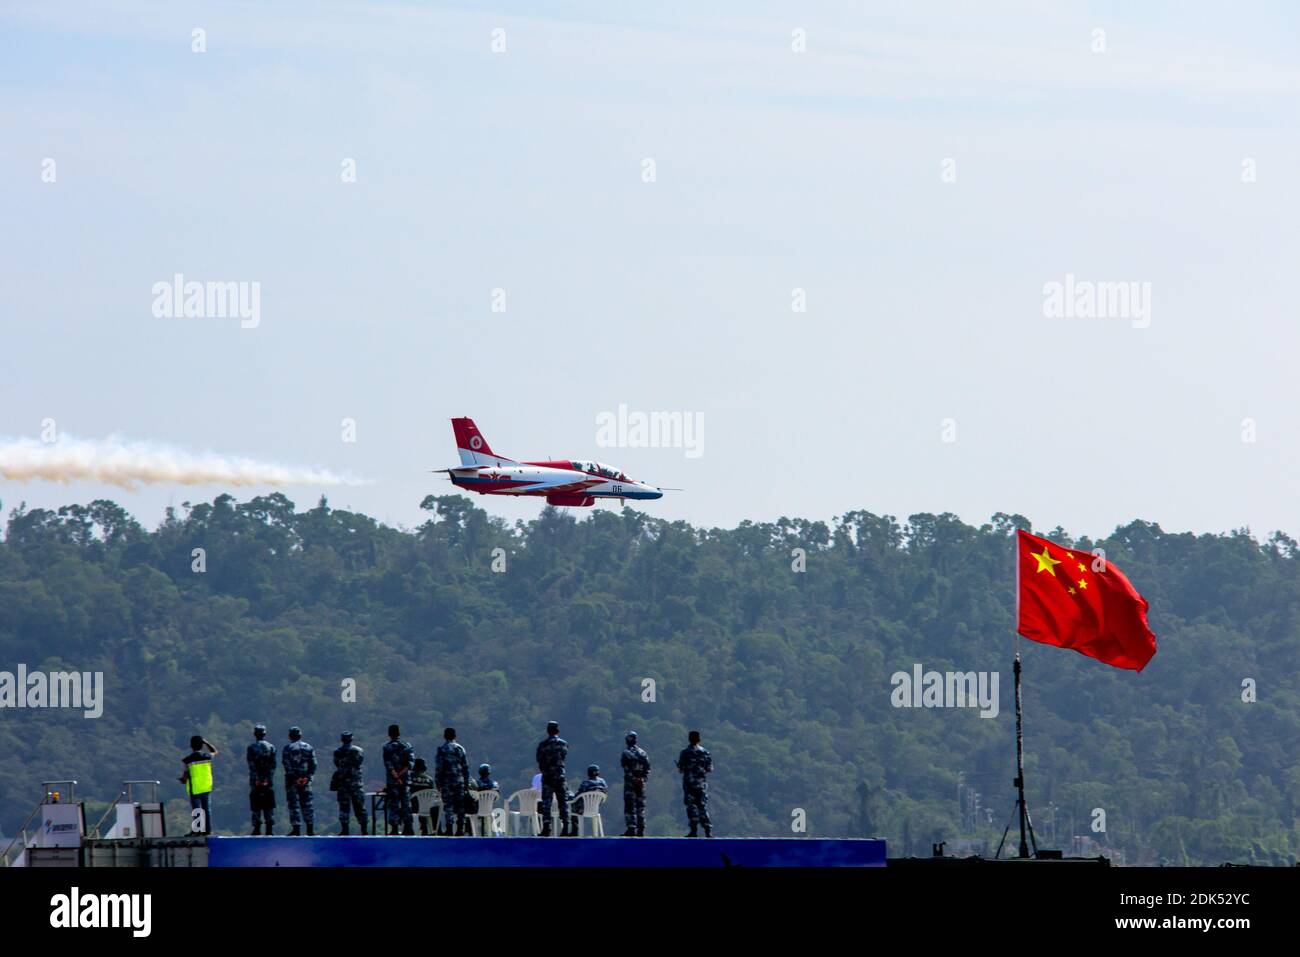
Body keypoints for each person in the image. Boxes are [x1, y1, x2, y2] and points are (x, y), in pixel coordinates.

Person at [676, 729, 713, 838]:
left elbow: (681, 768)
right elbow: (710, 768)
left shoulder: (685, 752)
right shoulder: (705, 752)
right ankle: (708, 830)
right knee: (702, 806)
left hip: (689, 784)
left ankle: (694, 830)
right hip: (701, 784)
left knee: (691, 807)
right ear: (699, 739)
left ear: (689, 739)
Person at [536, 720, 570, 837]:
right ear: (557, 731)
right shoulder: (563, 744)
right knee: (563, 802)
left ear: (547, 731)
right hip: (560, 776)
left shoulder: (543, 745)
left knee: (547, 803)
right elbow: (564, 756)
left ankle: (547, 827)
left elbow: (539, 760)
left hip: (547, 777)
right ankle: (565, 826)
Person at [282, 726, 317, 836]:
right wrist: (307, 777)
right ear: (300, 735)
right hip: (305, 780)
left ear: (290, 736)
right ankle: (310, 828)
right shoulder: (308, 747)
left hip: (292, 780)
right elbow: (313, 764)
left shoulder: (288, 748)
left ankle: (296, 828)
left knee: (294, 804)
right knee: (307, 804)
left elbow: (286, 764)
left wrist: (295, 778)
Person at [434, 727, 470, 836]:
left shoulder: (442, 749)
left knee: (448, 805)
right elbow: (465, 767)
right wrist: (466, 783)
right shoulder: (460, 749)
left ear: (444, 736)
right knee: (460, 805)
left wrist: (438, 782)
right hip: (459, 781)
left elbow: (439, 768)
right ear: (455, 736)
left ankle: (449, 827)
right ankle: (460, 828)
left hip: (447, 781)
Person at [180, 735, 218, 835]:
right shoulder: (207, 756)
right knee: (207, 810)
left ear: (191, 746)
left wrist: (183, 780)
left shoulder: (187, 760)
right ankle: (207, 831)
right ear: (202, 745)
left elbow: (185, 776)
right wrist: (206, 742)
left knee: (197, 810)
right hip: (206, 786)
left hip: (195, 788)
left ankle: (197, 830)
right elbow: (215, 751)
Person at [382, 724, 415, 836]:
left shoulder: (387, 747)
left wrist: (396, 776)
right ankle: (408, 827)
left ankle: (395, 828)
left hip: (393, 781)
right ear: (399, 733)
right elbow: (410, 763)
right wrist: (401, 775)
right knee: (406, 803)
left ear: (389, 734)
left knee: (393, 804)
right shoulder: (407, 746)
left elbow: (388, 764)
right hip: (405, 781)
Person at [333, 731, 368, 835]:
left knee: (344, 807)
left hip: (343, 783)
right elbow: (360, 762)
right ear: (351, 739)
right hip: (356, 783)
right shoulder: (359, 750)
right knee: (360, 806)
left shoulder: (338, 752)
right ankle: (364, 829)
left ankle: (344, 829)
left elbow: (336, 764)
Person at [246, 723, 276, 835]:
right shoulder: (272, 747)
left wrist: (257, 779)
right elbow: (273, 765)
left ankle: (257, 827)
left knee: (256, 803)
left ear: (255, 734)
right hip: (268, 780)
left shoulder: (251, 748)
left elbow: (251, 765)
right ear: (265, 734)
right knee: (269, 803)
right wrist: (267, 778)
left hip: (255, 780)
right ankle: (269, 827)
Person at [620, 730, 651, 837]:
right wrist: (642, 779)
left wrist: (634, 779)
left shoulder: (626, 753)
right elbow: (647, 768)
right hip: (641, 784)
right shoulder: (643, 753)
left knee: (630, 806)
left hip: (630, 784)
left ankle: (631, 828)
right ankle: (641, 829)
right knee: (640, 806)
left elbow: (626, 769)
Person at [409, 758, 436, 835]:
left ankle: (407, 829)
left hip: (413, 807)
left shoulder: (410, 778)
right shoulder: (430, 779)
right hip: (427, 808)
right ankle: (428, 828)